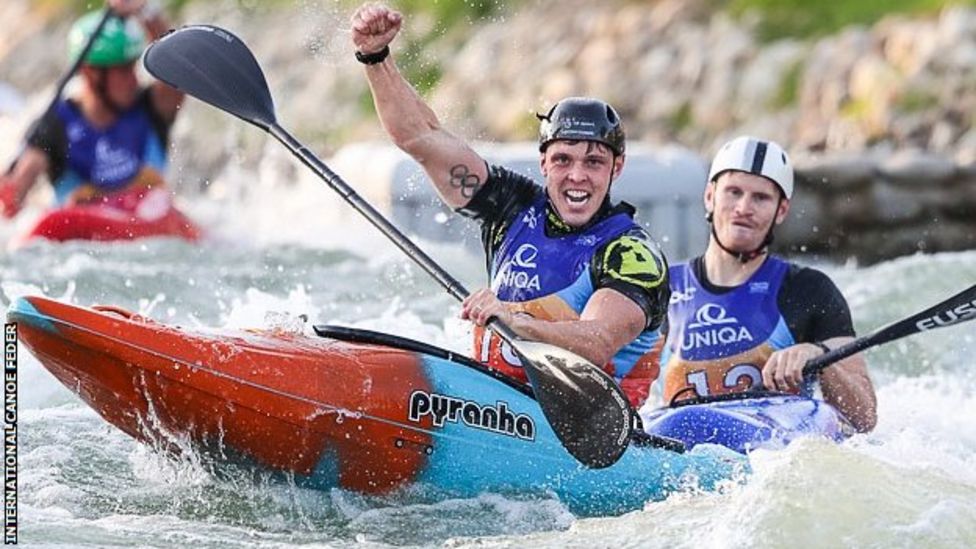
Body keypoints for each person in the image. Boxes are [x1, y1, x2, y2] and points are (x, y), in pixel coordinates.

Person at [350, 3, 669, 407]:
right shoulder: (510, 209)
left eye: (593, 162)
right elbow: (420, 138)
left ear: (616, 168)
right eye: (563, 160)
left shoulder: (631, 254)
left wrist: (514, 319)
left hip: (587, 429)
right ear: (544, 163)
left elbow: (596, 342)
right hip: (494, 408)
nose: (577, 176)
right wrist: (375, 57)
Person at [641, 136, 877, 432]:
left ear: (781, 210)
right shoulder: (660, 288)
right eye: (734, 192)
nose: (744, 207)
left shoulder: (809, 289)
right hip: (683, 442)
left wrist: (818, 354)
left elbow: (864, 418)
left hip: (769, 448)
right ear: (710, 196)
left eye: (761, 198)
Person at [0, 0, 183, 219]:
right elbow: (20, 186)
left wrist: (145, 12)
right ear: (90, 73)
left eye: (133, 67)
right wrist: (11, 192)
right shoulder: (54, 125)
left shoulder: (151, 106)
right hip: (82, 235)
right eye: (123, 71)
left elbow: (178, 66)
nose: (134, 79)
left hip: (152, 225)